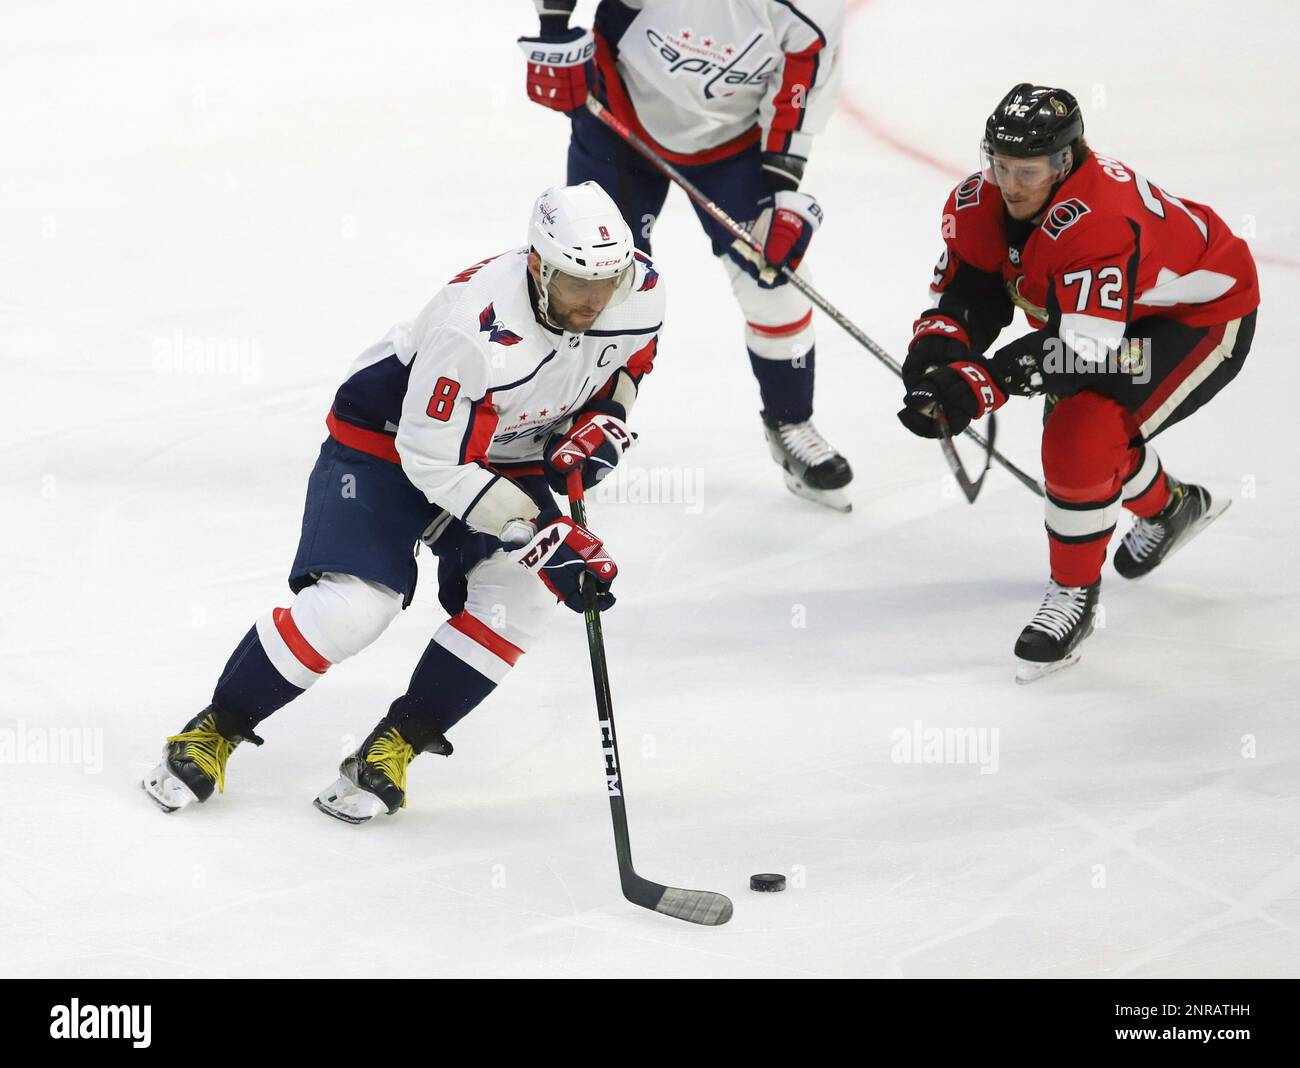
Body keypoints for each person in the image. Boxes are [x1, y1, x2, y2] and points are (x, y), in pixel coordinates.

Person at [143, 182, 663, 820]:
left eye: (607, 282)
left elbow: (631, 357)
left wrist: (607, 417)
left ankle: (394, 746)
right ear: (538, 266)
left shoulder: (637, 288)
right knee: (355, 609)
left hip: (504, 450)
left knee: (520, 599)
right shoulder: (472, 329)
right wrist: (539, 535)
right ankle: (214, 728)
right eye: (577, 285)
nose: (594, 301)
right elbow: (433, 459)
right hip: (389, 449)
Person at [898, 84, 1259, 682]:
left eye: (1029, 170)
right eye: (1001, 165)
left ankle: (1073, 597)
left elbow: (1085, 352)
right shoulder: (978, 199)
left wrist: (979, 384)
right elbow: (973, 288)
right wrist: (939, 354)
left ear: (1064, 162)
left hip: (1193, 319)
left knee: (1081, 434)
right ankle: (1170, 509)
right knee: (1085, 442)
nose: (1011, 184)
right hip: (1098, 318)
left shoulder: (1098, 220)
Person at [518, 0, 853, 510]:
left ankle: (790, 421)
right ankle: (565, 417)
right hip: (618, 109)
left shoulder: (812, 10)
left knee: (775, 280)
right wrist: (554, 28)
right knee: (593, 275)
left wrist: (783, 196)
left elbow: (800, 90)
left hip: (735, 143)